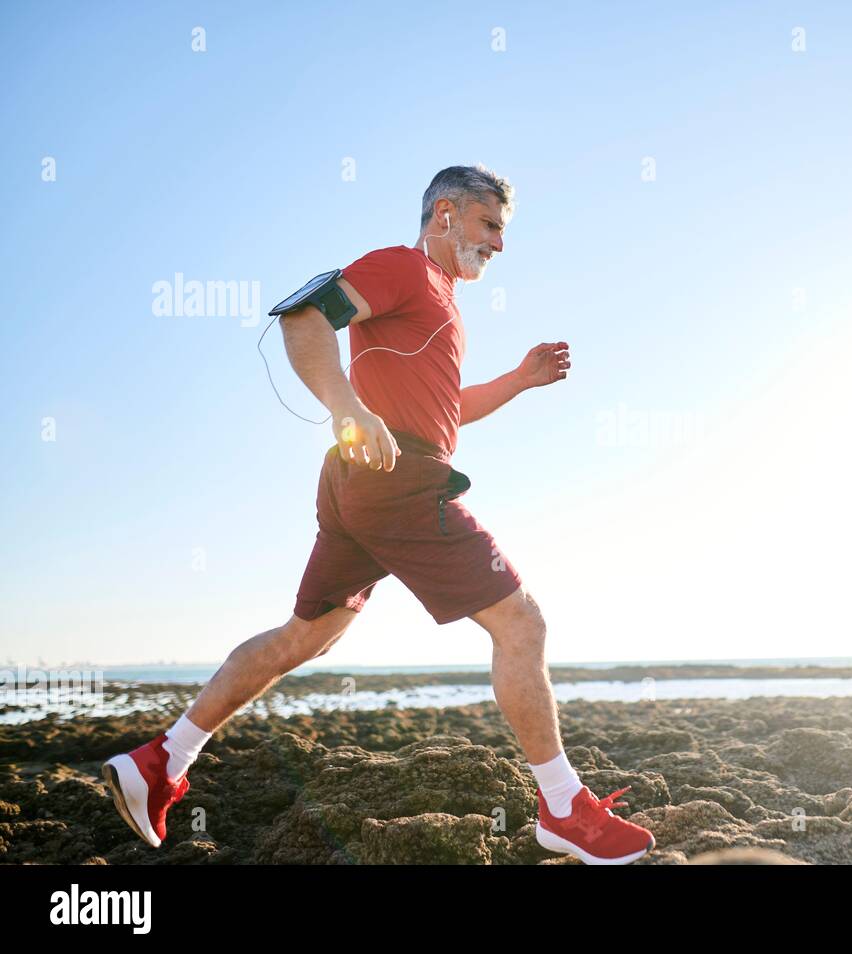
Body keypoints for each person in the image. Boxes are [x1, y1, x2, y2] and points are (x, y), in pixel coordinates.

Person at [101, 164, 655, 865]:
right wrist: (348, 409)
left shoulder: (441, 301)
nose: (500, 245)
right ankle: (563, 807)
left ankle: (161, 760)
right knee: (522, 621)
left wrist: (518, 380)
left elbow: (447, 412)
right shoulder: (404, 268)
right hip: (398, 481)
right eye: (490, 226)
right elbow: (304, 317)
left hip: (363, 482)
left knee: (304, 638)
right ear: (445, 215)